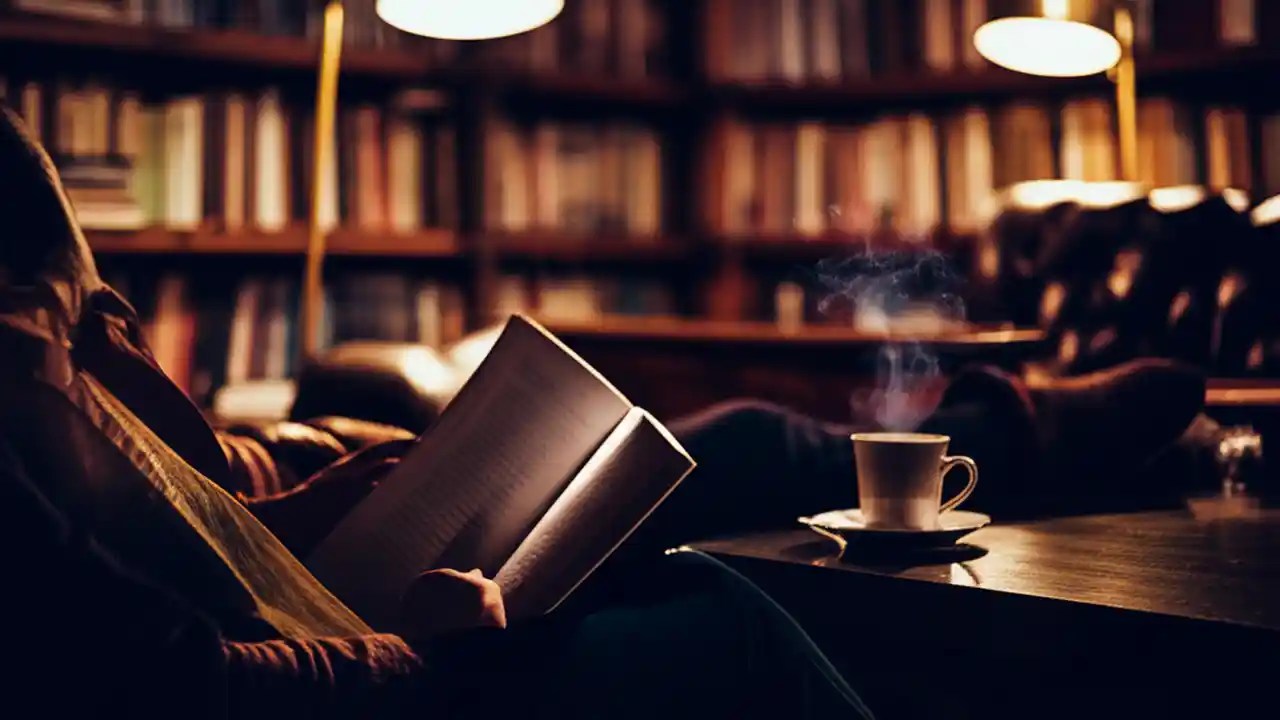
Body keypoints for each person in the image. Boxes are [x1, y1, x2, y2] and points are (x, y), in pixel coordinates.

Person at [0, 107, 874, 719]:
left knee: (694, 554)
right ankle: (982, 431)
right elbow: (169, 687)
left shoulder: (48, 404)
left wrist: (295, 510)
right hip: (361, 664)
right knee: (724, 618)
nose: (67, 343)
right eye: (48, 326)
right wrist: (424, 656)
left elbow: (160, 523)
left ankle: (978, 428)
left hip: (326, 606)